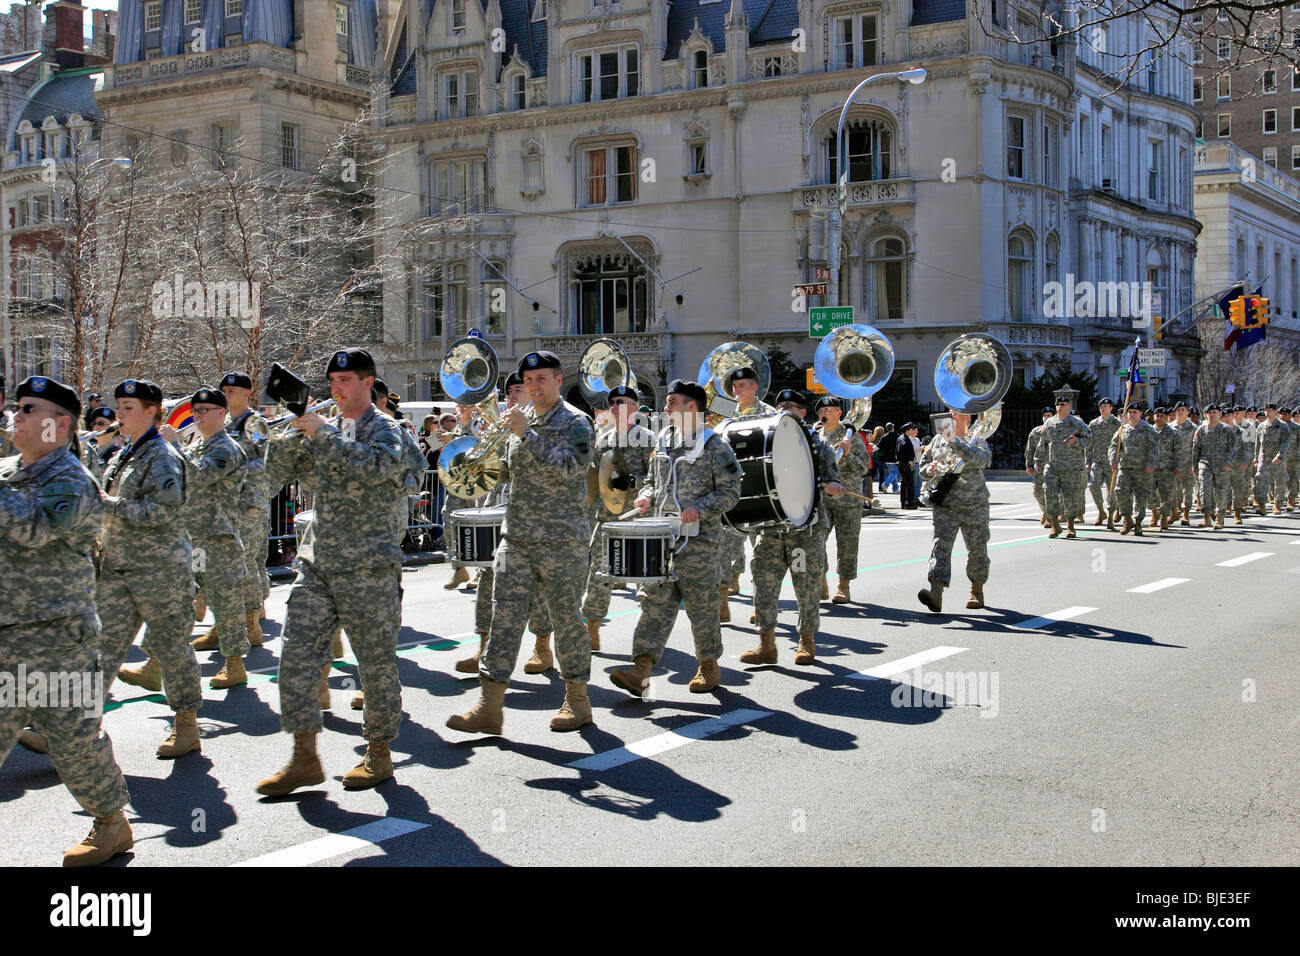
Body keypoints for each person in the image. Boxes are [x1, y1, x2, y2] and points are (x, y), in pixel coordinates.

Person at [256, 348, 408, 795]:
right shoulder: (327, 427)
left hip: (369, 565)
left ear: (367, 383)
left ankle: (378, 753)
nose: (336, 390)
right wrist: (288, 438)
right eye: (332, 382)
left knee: (375, 665)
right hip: (319, 562)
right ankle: (304, 755)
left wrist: (324, 436)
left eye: (345, 381)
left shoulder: (387, 430)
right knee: (296, 657)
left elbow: (383, 469)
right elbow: (277, 478)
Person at [0, 376, 136, 866]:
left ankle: (111, 824)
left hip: (57, 640)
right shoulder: (7, 473)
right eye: (16, 407)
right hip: (5, 638)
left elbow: (36, 529)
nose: (16, 415)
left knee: (76, 746)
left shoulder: (73, 482)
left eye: (28, 409)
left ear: (58, 426)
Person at [447, 350, 597, 736]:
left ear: (558, 382)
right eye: (528, 381)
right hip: (516, 538)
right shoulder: (520, 421)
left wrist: (525, 435)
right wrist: (476, 467)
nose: (533, 387)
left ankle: (577, 700)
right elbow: (509, 474)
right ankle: (489, 705)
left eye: (541, 380)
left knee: (567, 622)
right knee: (504, 620)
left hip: (562, 541)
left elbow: (570, 468)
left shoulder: (576, 422)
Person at [608, 380, 743, 695]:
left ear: (691, 407)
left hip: (699, 544)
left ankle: (708, 666)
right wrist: (645, 496)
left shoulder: (715, 446)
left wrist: (700, 507)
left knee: (702, 607)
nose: (666, 408)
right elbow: (654, 481)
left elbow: (731, 491)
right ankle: (641, 670)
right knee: (654, 605)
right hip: (663, 540)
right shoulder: (665, 440)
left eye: (672, 402)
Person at [98, 379, 204, 759]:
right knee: (101, 648)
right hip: (119, 568)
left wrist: (107, 505)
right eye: (119, 406)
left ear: (151, 412)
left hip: (160, 569)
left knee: (171, 649)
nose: (119, 414)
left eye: (128, 407)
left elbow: (163, 512)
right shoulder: (124, 453)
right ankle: (77, 727)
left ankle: (186, 724)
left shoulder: (163, 457)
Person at [455, 372, 555, 676]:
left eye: (518, 390)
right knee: (487, 581)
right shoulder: (499, 426)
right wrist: (465, 432)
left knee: (536, 587)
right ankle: (483, 647)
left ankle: (542, 645)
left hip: (532, 518)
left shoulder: (543, 426)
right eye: (509, 390)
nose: (512, 395)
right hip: (495, 512)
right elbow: (485, 458)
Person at [743, 390, 845, 666]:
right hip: (772, 528)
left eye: (790, 407)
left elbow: (833, 479)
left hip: (805, 529)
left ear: (802, 414)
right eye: (780, 406)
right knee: (763, 584)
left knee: (807, 587)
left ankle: (806, 640)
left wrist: (834, 486)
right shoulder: (765, 443)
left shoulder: (817, 445)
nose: (783, 410)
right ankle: (766, 643)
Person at [168, 387, 251, 687]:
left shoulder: (227, 448)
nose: (197, 416)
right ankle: (158, 659)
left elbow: (200, 475)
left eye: (204, 411)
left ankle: (234, 663)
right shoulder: (195, 447)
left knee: (225, 602)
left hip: (219, 538)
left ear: (221, 413)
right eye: (195, 411)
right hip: (192, 536)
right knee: (176, 599)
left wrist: (174, 447)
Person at [583, 384, 654, 649]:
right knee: (599, 574)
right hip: (607, 520)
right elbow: (594, 480)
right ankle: (591, 628)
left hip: (638, 519)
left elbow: (658, 478)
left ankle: (649, 634)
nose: (614, 406)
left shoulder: (648, 439)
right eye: (612, 402)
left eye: (621, 402)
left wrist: (634, 481)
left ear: (634, 408)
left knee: (646, 580)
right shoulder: (603, 440)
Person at [916, 410, 992, 612]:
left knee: (977, 548)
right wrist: (929, 469)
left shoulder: (977, 439)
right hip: (945, 503)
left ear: (968, 418)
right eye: (950, 412)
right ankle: (936, 592)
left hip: (973, 503)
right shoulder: (937, 440)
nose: (952, 416)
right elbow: (922, 467)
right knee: (940, 546)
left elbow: (983, 460)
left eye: (957, 414)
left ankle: (977, 589)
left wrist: (955, 442)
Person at [218, 371, 270, 650]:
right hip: (225, 505)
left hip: (249, 504)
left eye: (231, 391)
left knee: (245, 563)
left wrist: (234, 468)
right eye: (223, 390)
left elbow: (265, 463)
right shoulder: (223, 423)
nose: (226, 395)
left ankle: (252, 623)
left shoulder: (254, 423)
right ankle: (223, 624)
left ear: (246, 393)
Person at [720, 366, 775, 598]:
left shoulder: (770, 413)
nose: (736, 390)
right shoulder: (725, 411)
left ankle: (759, 593)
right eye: (734, 387)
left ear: (754, 387)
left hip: (760, 482)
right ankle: (731, 578)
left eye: (742, 386)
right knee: (730, 536)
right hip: (733, 483)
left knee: (759, 542)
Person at [815, 396, 869, 603]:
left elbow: (863, 467)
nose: (825, 414)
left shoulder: (851, 437)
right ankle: (821, 580)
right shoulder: (815, 436)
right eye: (822, 411)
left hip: (847, 498)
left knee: (847, 544)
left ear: (839, 413)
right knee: (816, 541)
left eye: (830, 410)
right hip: (822, 497)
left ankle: (843, 585)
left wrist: (848, 454)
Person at [442, 403, 480, 590]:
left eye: (465, 406)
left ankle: (483, 572)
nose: (461, 410)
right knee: (449, 519)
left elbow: (479, 448)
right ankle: (459, 569)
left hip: (479, 483)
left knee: (482, 526)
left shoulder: (482, 423)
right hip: (459, 482)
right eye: (459, 406)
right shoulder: (458, 428)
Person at [1041, 396, 1091, 538]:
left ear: (1069, 406)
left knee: (1070, 496)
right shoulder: (1049, 423)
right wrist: (1038, 462)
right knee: (1049, 494)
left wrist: (1076, 441)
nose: (1060, 406)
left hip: (1071, 466)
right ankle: (1055, 525)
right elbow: (1043, 443)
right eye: (1057, 404)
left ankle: (1070, 526)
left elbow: (1089, 439)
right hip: (1052, 465)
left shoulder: (1077, 423)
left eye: (1063, 404)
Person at [1109, 402, 1159, 535]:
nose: (1131, 414)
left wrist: (1150, 464)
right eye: (1129, 412)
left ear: (1140, 414)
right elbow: (1114, 446)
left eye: (1134, 412)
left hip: (1142, 469)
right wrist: (1113, 461)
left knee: (1141, 496)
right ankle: (1127, 519)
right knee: (1120, 491)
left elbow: (1154, 448)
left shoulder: (1148, 429)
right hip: (1125, 467)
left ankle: (1138, 522)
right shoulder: (1122, 429)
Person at [1191, 403, 1237, 529]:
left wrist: (1228, 462)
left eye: (1214, 412)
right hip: (1205, 463)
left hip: (1222, 465)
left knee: (1221, 491)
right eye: (1209, 413)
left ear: (1219, 414)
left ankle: (1219, 517)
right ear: (1205, 415)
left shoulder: (1226, 429)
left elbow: (1233, 448)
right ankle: (1206, 517)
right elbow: (1196, 449)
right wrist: (1195, 467)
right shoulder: (1201, 430)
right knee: (1204, 489)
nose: (1212, 415)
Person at [1086, 398, 1121, 525]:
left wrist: (1119, 460)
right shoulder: (1094, 424)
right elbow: (1089, 443)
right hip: (1097, 460)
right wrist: (1088, 460)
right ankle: (1101, 511)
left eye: (1106, 406)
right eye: (1101, 406)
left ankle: (1111, 513)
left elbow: (1122, 444)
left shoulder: (1117, 423)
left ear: (1111, 408)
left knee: (1111, 490)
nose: (1103, 408)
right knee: (1093, 485)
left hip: (1112, 462)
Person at [1255, 403, 1291, 514]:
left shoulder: (1283, 426)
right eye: (1266, 410)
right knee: (1261, 480)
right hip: (1264, 458)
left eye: (1270, 410)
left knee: (1279, 481)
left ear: (1275, 412)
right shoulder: (1261, 426)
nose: (1268, 412)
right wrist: (1256, 458)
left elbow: (1286, 442)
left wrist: (1280, 455)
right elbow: (1258, 444)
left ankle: (1277, 504)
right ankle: (1262, 505)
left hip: (1278, 459)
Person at [1150, 407, 1179, 530]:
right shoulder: (1148, 431)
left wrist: (1178, 467)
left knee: (1166, 496)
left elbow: (1179, 452)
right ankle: (1154, 512)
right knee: (1148, 494)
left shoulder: (1173, 433)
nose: (1159, 418)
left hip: (1167, 469)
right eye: (1157, 416)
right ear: (1153, 417)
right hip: (1150, 469)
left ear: (1166, 418)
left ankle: (1164, 517)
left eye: (1162, 416)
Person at [1170, 401, 1197, 525]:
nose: (1181, 412)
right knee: (1173, 489)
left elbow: (1197, 448)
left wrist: (1194, 464)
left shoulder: (1193, 428)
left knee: (1188, 489)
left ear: (1187, 412)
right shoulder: (1170, 428)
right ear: (1175, 413)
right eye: (1178, 410)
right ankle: (1175, 510)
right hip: (1174, 464)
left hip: (1188, 463)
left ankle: (1186, 513)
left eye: (1183, 410)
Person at [1024, 407, 1053, 526]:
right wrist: (1029, 465)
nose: (1047, 417)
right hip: (1039, 467)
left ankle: (1050, 517)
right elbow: (1029, 450)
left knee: (1051, 492)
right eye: (1045, 415)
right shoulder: (1035, 432)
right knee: (1037, 491)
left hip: (1053, 467)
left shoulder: (1057, 430)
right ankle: (1045, 511)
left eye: (1049, 415)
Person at [896, 423, 919, 508]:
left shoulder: (905, 438)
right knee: (909, 484)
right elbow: (900, 453)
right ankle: (909, 503)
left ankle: (905, 503)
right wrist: (908, 460)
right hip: (904, 465)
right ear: (907, 430)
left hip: (905, 464)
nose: (912, 431)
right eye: (910, 429)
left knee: (905, 484)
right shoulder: (903, 439)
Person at [1282, 407, 1300, 510]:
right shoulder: (1277, 427)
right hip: (1280, 458)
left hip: (1294, 458)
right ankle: (1279, 501)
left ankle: (1291, 500)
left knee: (1293, 479)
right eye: (1281, 414)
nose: (1283, 416)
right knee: (1281, 480)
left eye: (1285, 414)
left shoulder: (1296, 428)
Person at [878, 422, 899, 492]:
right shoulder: (897, 436)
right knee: (895, 472)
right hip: (895, 458)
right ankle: (886, 484)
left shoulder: (884, 436)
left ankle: (895, 488)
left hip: (886, 458)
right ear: (893, 428)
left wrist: (871, 449)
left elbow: (878, 445)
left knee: (892, 473)